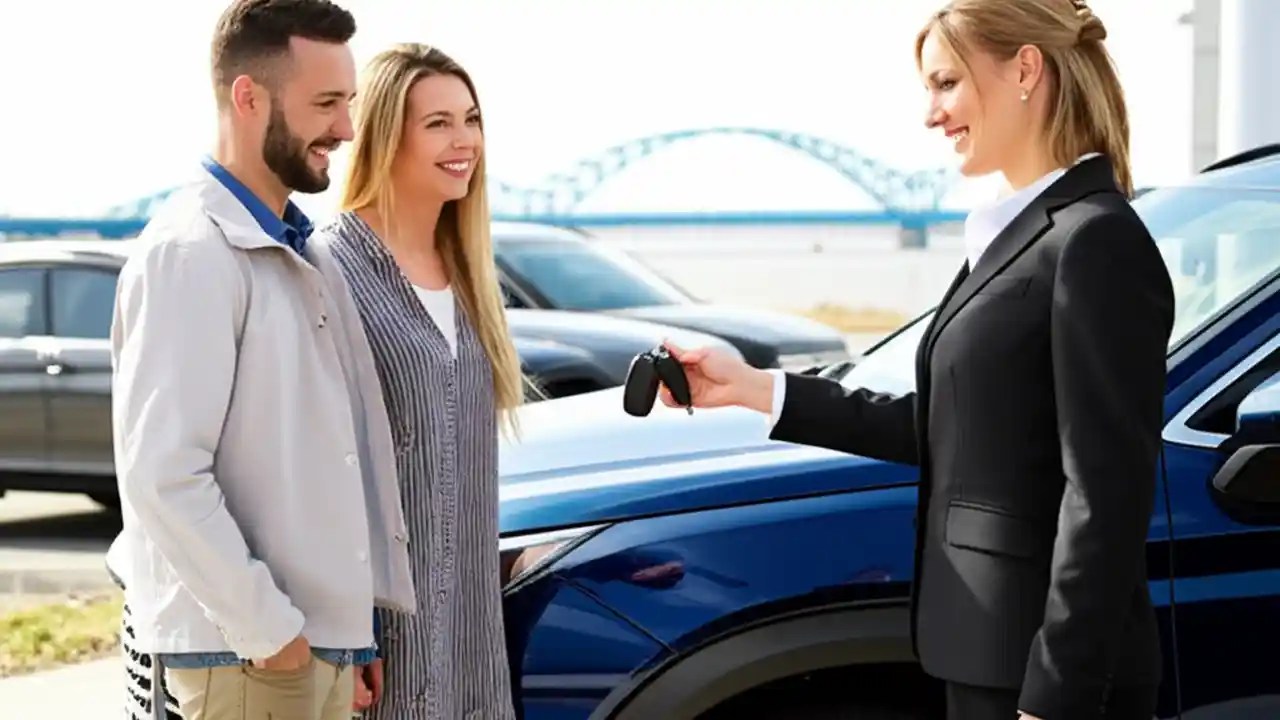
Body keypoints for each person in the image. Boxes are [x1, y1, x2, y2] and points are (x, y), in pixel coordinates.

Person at [656, 1, 1174, 718]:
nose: (932, 115)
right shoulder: (1016, 234)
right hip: (986, 651)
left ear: (1025, 68)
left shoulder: (1093, 242)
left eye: (946, 84)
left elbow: (1107, 498)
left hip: (1048, 679)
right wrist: (754, 388)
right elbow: (948, 428)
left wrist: (1056, 696)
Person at [109, 1, 415, 719]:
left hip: (306, 650)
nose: (345, 128)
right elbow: (164, 474)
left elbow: (320, 461)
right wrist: (273, 635)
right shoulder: (190, 253)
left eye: (348, 103)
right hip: (248, 656)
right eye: (326, 104)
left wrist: (349, 631)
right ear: (248, 98)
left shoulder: (298, 249)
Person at [310, 43, 524, 719]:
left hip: (471, 647)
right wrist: (338, 636)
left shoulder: (468, 277)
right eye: (436, 123)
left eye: (470, 119)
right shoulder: (328, 270)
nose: (464, 141)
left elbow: (456, 461)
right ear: (383, 135)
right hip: (378, 650)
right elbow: (313, 471)